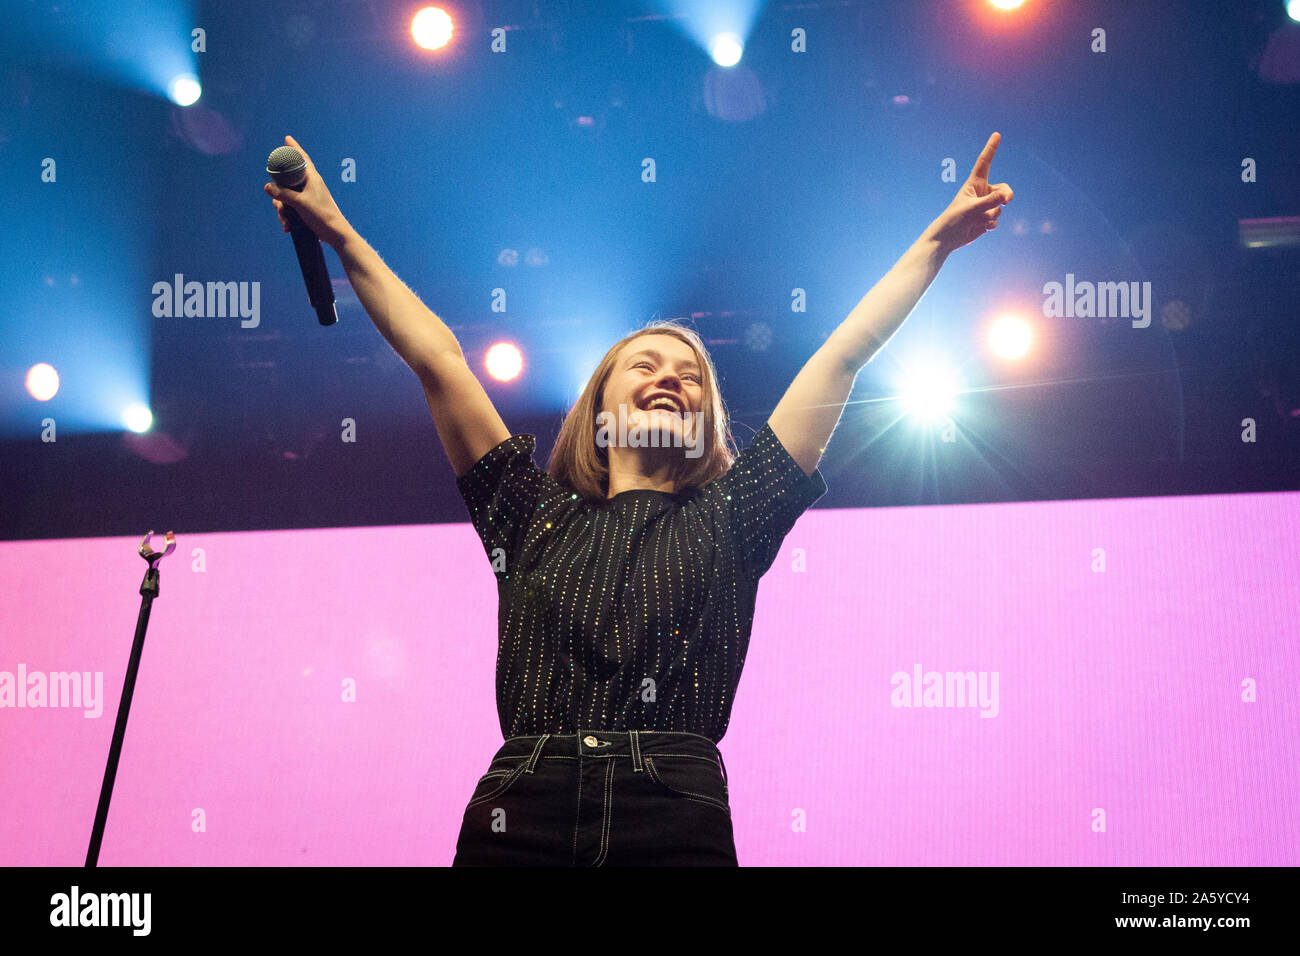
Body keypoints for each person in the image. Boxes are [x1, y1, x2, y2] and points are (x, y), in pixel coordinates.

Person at [264, 132, 1013, 866]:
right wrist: (336, 231)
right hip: (525, 803)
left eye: (690, 376)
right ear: (599, 407)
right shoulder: (528, 513)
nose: (670, 377)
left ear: (704, 420)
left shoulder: (736, 512)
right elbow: (438, 360)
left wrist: (934, 247)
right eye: (644, 364)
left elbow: (842, 354)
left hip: (671, 811)